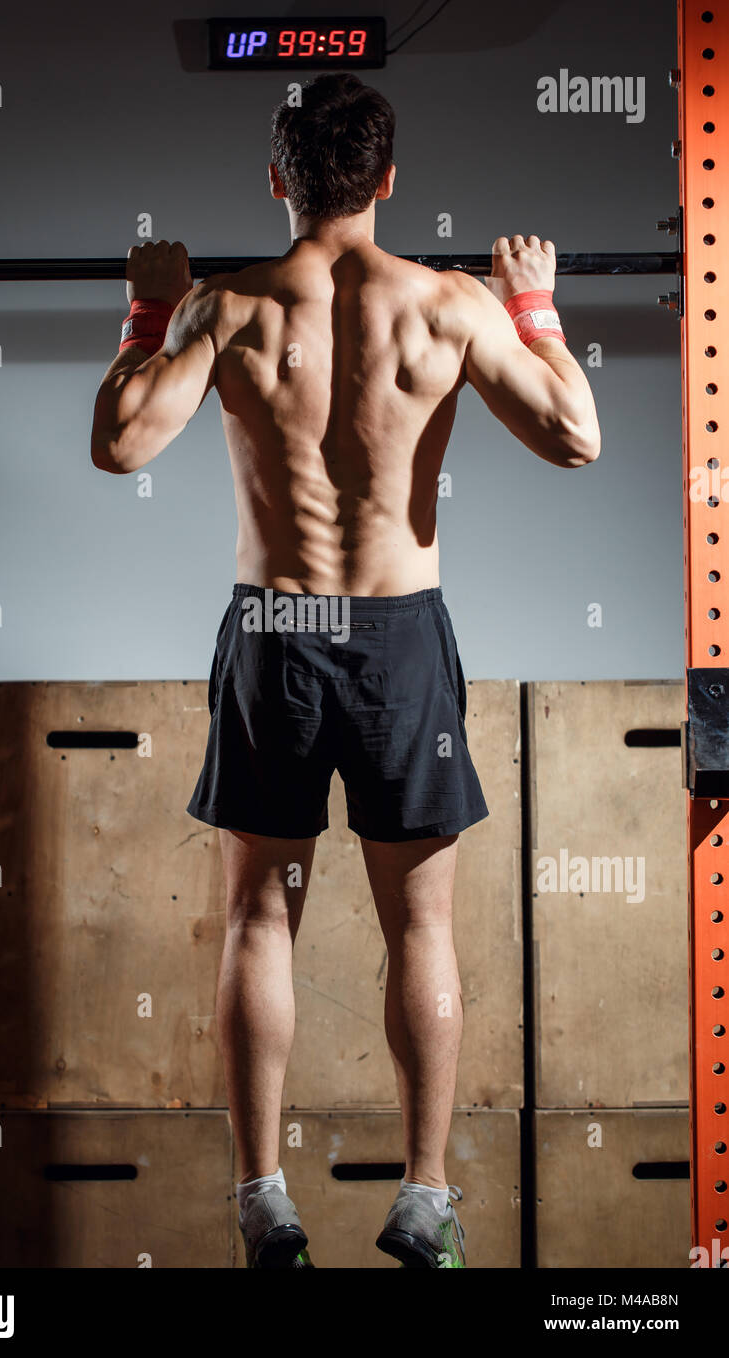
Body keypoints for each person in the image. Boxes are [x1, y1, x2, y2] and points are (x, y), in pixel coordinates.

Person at [91, 71, 600, 1269]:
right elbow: (575, 434)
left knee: (256, 915)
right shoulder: (450, 304)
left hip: (272, 627)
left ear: (275, 179)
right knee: (419, 921)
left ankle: (264, 1200)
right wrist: (535, 308)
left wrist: (143, 314)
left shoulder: (227, 308)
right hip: (397, 632)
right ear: (385, 180)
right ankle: (422, 1200)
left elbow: (118, 446)